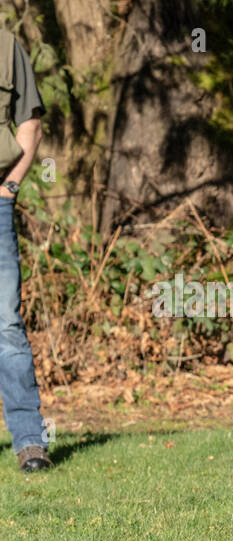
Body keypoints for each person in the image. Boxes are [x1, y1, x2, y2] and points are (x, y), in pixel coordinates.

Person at [0, 27, 46, 472]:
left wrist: (10, 186)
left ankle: (30, 442)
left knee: (7, 325)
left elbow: (29, 121)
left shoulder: (6, 46)